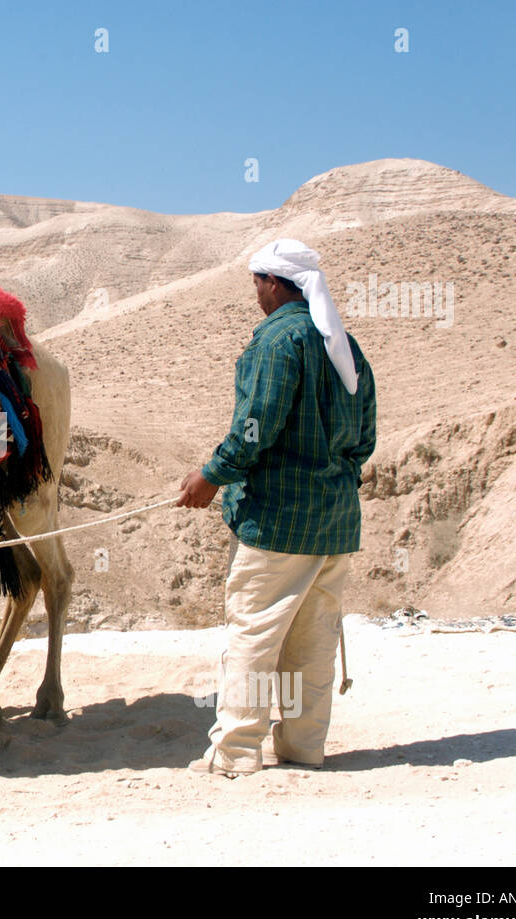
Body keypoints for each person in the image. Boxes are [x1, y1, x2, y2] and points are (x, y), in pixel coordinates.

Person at [177, 238, 376, 777]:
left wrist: (210, 476)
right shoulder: (345, 347)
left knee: (255, 636)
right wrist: (328, 481)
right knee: (312, 646)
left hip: (278, 523)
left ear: (274, 283)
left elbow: (253, 427)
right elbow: (363, 441)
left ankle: (236, 753)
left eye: (257, 284)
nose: (256, 295)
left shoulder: (276, 341)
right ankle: (303, 749)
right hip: (334, 526)